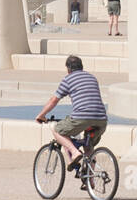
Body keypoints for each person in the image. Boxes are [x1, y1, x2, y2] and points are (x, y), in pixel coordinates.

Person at [35, 54, 109, 183]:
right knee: (88, 146)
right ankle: (90, 181)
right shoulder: (92, 77)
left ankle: (74, 153)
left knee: (57, 129)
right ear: (82, 67)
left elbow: (53, 100)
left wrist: (41, 115)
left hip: (82, 117)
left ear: (68, 69)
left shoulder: (68, 79)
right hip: (101, 118)